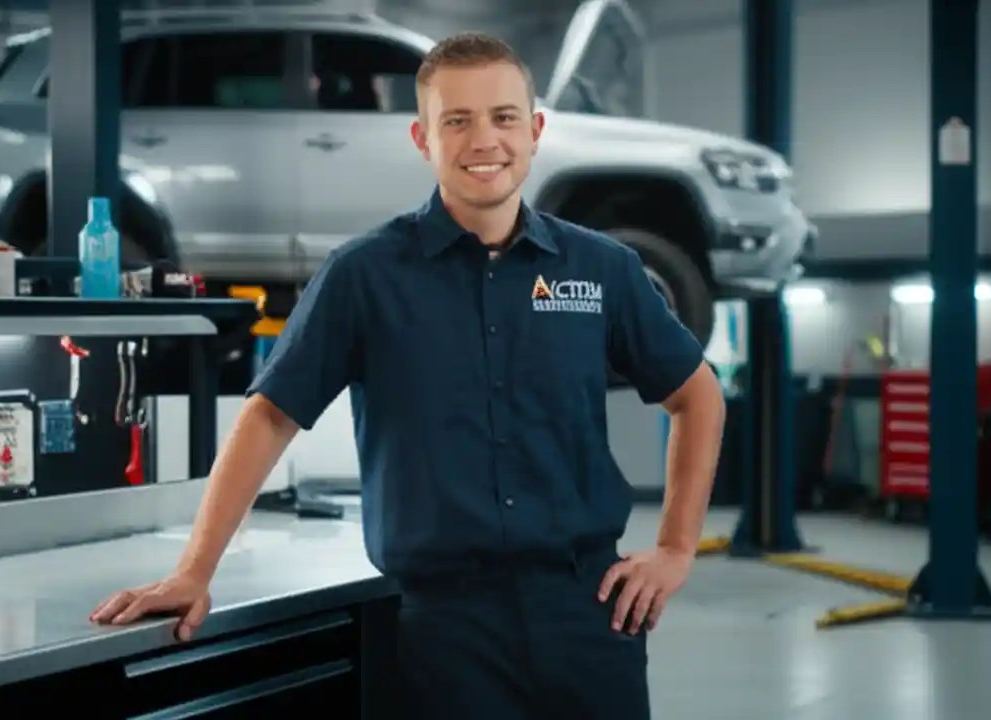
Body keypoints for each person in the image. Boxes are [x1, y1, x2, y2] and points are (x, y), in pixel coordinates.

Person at [89, 31, 726, 719]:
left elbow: (698, 394)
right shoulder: (365, 276)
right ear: (422, 139)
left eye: (504, 117)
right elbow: (270, 415)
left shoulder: (601, 269)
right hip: (438, 634)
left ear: (535, 130)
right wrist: (194, 572)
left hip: (590, 615)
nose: (485, 139)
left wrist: (674, 548)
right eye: (457, 120)